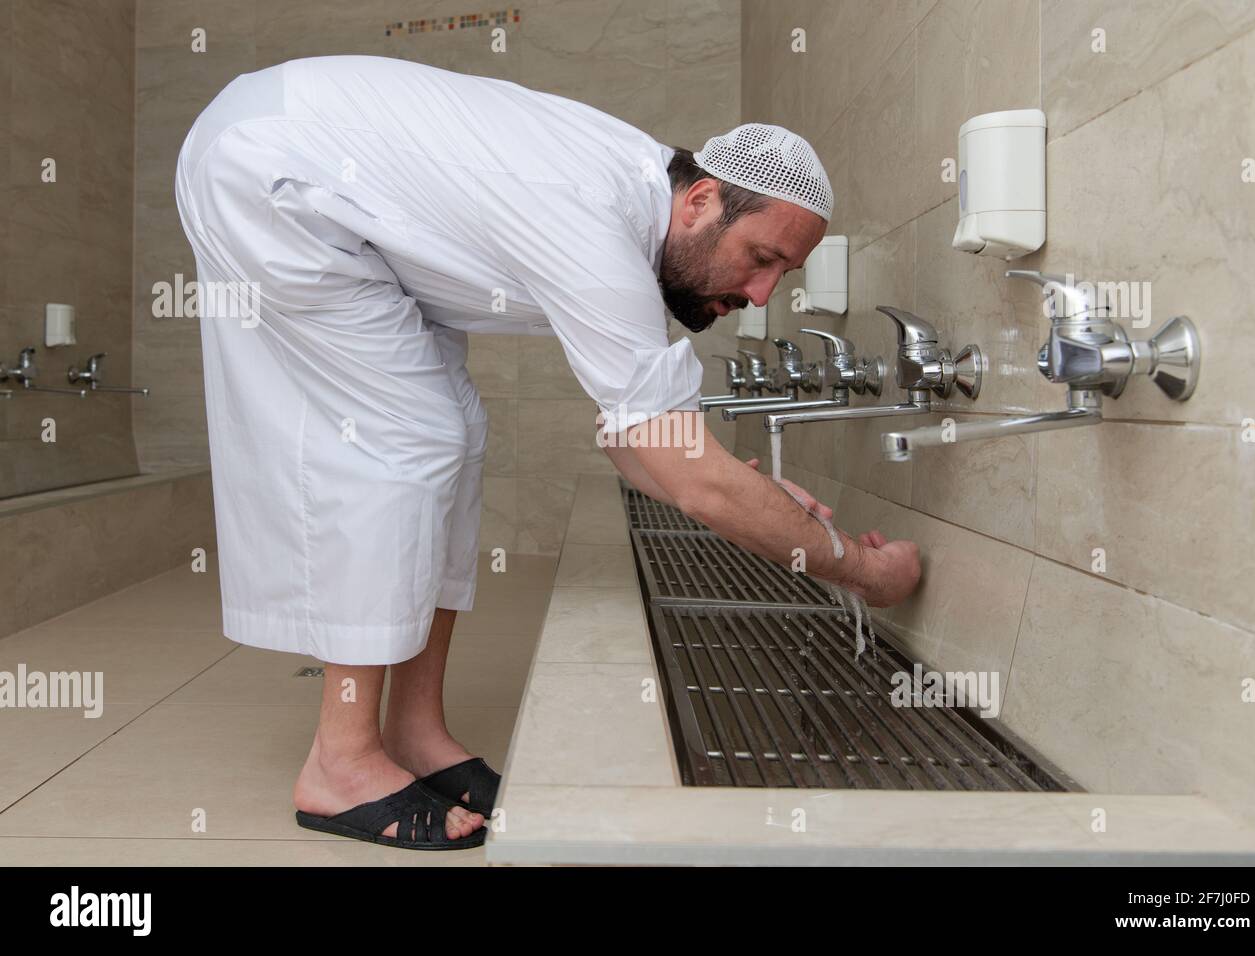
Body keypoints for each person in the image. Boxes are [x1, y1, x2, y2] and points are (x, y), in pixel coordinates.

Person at [175, 55, 921, 851]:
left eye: (784, 272)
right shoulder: (594, 220)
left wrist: (753, 494)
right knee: (406, 438)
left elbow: (642, 445)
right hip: (269, 168)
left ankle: (418, 732)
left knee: (450, 432)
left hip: (312, 171)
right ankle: (341, 764)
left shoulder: (631, 210)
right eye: (762, 258)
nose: (764, 295)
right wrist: (861, 571)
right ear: (701, 201)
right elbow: (682, 473)